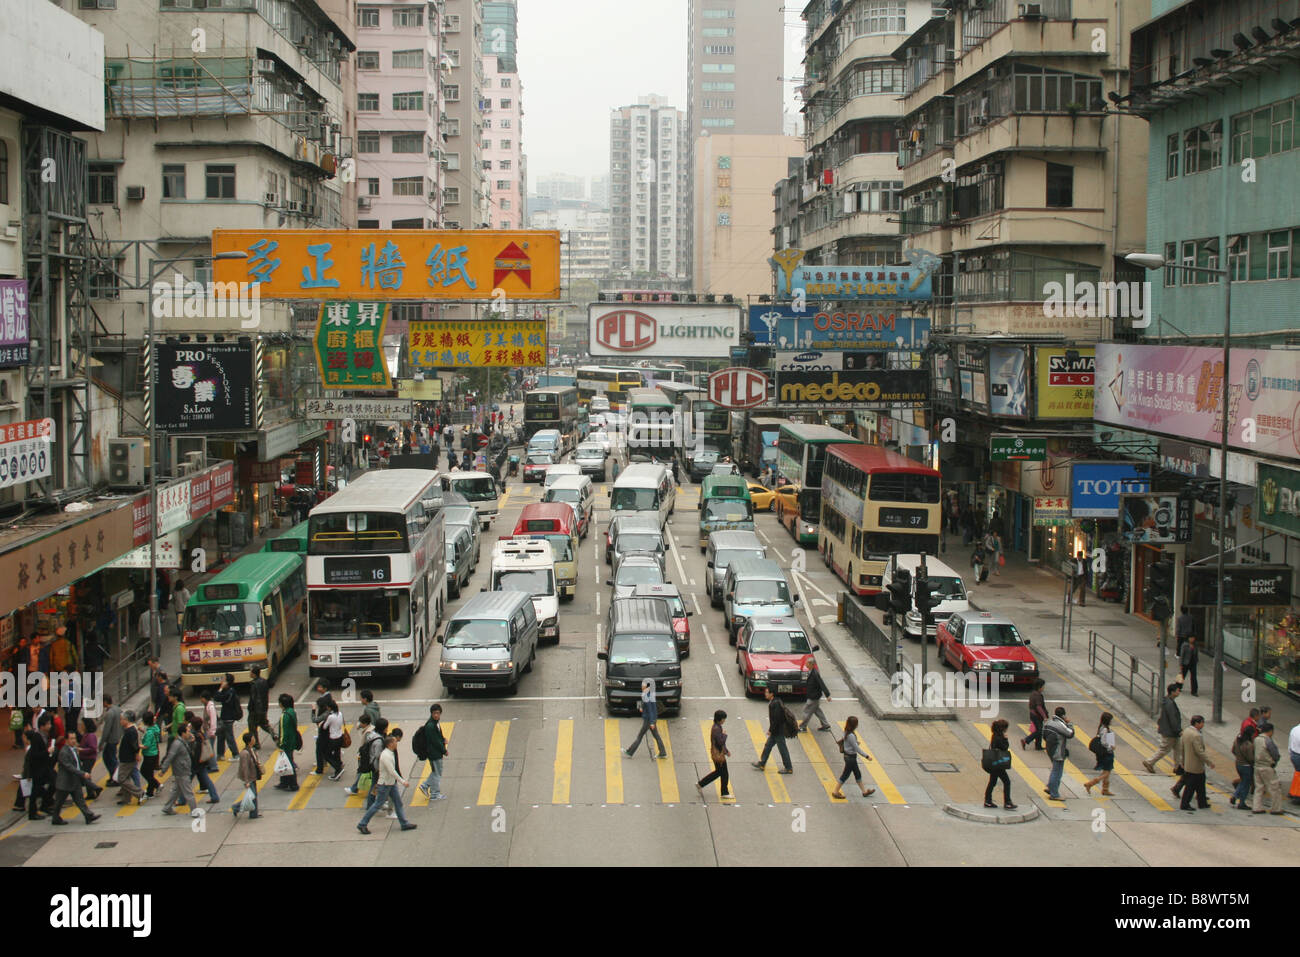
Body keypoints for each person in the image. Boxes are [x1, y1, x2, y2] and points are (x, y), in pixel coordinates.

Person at [356, 736, 418, 834]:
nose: (396, 743)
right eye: (395, 742)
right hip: (385, 784)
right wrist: (403, 781)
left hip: (391, 783)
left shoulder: (390, 753)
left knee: (398, 803)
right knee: (377, 805)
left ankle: (404, 823)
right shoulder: (385, 755)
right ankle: (362, 824)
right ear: (390, 744)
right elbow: (391, 771)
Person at [50, 730, 100, 825]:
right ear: (66, 740)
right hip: (65, 782)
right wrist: (82, 773)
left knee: (80, 799)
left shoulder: (74, 749)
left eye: (75, 738)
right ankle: (55, 818)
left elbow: (77, 764)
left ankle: (88, 816)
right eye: (71, 738)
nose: (74, 740)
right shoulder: (64, 752)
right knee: (59, 802)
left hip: (74, 780)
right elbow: (69, 767)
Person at [829, 716, 875, 800]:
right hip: (851, 758)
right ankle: (835, 792)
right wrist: (867, 756)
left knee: (857, 773)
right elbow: (857, 748)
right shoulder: (851, 735)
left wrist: (855, 743)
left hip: (848, 757)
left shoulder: (846, 731)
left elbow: (849, 743)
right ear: (854, 725)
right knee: (845, 775)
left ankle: (864, 792)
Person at [751, 686, 794, 774]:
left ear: (772, 694)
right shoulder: (775, 701)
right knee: (768, 746)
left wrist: (771, 730)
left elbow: (777, 720)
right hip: (776, 730)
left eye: (767, 692)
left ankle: (788, 767)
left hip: (778, 731)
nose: (765, 694)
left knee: (782, 749)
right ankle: (762, 763)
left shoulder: (775, 704)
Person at [1144, 683, 1184, 774]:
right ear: (1172, 692)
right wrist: (1178, 730)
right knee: (1164, 749)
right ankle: (1150, 762)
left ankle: (1178, 767)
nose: (1179, 692)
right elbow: (1172, 718)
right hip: (1170, 731)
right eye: (1178, 690)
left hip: (1171, 731)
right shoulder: (1169, 704)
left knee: (1178, 749)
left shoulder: (1168, 701)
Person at [159, 724, 197, 816]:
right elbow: (170, 757)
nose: (189, 733)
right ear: (183, 733)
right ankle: (194, 811)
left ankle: (167, 807)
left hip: (182, 769)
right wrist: (163, 770)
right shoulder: (177, 744)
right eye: (187, 731)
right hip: (181, 771)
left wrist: (191, 741)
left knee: (176, 791)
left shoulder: (183, 741)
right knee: (188, 792)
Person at [624, 679, 667, 759]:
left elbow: (651, 710)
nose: (642, 687)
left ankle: (630, 751)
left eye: (643, 685)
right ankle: (663, 752)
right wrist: (643, 709)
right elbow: (650, 708)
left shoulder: (647, 696)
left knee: (640, 736)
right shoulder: (649, 694)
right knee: (656, 736)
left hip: (649, 720)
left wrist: (651, 722)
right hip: (652, 718)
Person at [1179, 715, 1213, 811]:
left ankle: (1202, 802)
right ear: (1197, 723)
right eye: (1202, 723)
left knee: (1201, 784)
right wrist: (1209, 762)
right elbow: (1199, 751)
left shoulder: (1186, 731)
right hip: (1196, 765)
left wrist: (1183, 761)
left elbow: (1182, 747)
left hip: (1188, 764)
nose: (1203, 725)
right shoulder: (1196, 735)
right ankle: (1185, 804)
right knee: (1191, 786)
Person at [696, 710, 731, 801]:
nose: (724, 720)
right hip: (718, 755)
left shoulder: (717, 727)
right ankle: (724, 792)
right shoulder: (717, 729)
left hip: (717, 753)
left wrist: (726, 751)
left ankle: (701, 784)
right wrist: (724, 735)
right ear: (720, 719)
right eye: (724, 719)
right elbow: (720, 742)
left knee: (718, 772)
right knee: (724, 774)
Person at [23, 718, 54, 820]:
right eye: (48, 724)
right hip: (37, 771)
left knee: (40, 790)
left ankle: (42, 807)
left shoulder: (41, 737)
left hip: (41, 769)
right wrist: (48, 751)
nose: (50, 726)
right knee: (35, 792)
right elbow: (35, 756)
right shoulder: (37, 738)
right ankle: (33, 813)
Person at [417, 703, 449, 801]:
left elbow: (437, 737)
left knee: (436, 772)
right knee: (437, 773)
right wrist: (444, 751)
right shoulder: (431, 725)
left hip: (435, 752)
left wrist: (443, 739)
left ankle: (426, 786)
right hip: (434, 753)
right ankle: (434, 793)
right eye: (434, 713)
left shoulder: (435, 723)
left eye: (438, 713)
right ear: (431, 713)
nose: (436, 715)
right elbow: (434, 741)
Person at [982, 718, 1016, 809]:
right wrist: (1006, 739)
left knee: (992, 782)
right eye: (1006, 728)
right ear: (1002, 728)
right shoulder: (1000, 737)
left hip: (994, 763)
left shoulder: (994, 735)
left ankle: (988, 800)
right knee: (1006, 782)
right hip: (998, 764)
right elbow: (1005, 747)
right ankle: (1007, 802)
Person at [1042, 706, 1074, 801]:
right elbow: (1070, 734)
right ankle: (1054, 794)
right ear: (1063, 715)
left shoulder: (1049, 722)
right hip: (1058, 751)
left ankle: (1050, 786)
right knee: (1057, 771)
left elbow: (1043, 735)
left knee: (1055, 770)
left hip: (1050, 749)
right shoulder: (1061, 725)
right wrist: (1070, 723)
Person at [1252, 722, 1284, 814]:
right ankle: (1276, 809)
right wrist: (1275, 760)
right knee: (1275, 788)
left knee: (1259, 788)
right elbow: (1275, 754)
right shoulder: (1268, 740)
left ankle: (1256, 807)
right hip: (1267, 767)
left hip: (1257, 766)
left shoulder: (1256, 739)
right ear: (1270, 731)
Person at [115, 711, 146, 806]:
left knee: (122, 779)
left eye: (121, 719)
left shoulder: (131, 731)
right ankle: (126, 799)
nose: (120, 721)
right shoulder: (129, 730)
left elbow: (134, 745)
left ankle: (140, 793)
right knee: (126, 777)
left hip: (128, 759)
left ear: (126, 720)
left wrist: (137, 753)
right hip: (126, 757)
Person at [188, 716, 220, 804]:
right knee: (206, 779)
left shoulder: (194, 736)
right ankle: (214, 796)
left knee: (186, 782)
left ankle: (182, 800)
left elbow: (194, 750)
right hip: (202, 761)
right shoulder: (202, 734)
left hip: (195, 763)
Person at [1083, 711, 1116, 796]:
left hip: (1104, 753)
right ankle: (1091, 783)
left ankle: (1105, 789)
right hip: (1107, 753)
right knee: (1107, 772)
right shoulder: (1105, 729)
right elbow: (1104, 742)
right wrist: (1110, 747)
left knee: (1107, 770)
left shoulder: (1101, 727)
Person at [343, 713, 376, 796]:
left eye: (361, 722)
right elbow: (358, 726)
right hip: (365, 754)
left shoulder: (369, 732)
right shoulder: (370, 727)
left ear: (365, 723)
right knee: (361, 771)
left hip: (366, 756)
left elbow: (368, 746)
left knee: (362, 771)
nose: (359, 724)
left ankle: (355, 789)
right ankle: (355, 788)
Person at [232, 732, 262, 821]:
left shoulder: (252, 750)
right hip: (249, 778)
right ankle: (236, 807)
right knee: (252, 796)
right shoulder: (245, 753)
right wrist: (247, 781)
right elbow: (244, 768)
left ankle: (254, 813)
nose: (255, 739)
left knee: (253, 795)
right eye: (253, 738)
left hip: (253, 776)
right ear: (249, 741)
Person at [798, 662, 833, 733]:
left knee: (806, 711)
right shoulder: (811, 672)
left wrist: (827, 695)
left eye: (807, 663)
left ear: (811, 664)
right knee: (817, 711)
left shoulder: (815, 674)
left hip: (813, 697)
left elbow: (821, 684)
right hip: (813, 696)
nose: (806, 664)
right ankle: (825, 725)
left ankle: (803, 727)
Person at [275, 692, 300, 791]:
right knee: (286, 762)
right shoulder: (292, 711)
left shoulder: (284, 716)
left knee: (288, 763)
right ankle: (284, 782)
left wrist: (281, 745)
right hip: (292, 741)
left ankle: (293, 784)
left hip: (286, 744)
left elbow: (283, 732)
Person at [1229, 723, 1257, 810]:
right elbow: (1251, 758)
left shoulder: (1237, 740)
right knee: (1246, 784)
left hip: (1238, 764)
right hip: (1246, 767)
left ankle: (1236, 796)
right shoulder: (1248, 745)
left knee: (1243, 782)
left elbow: (1233, 750)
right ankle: (1240, 802)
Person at [215, 674, 242, 761]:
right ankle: (220, 754)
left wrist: (220, 688)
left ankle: (236, 755)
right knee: (221, 735)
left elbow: (217, 698)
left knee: (229, 737)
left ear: (227, 682)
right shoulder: (228, 690)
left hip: (228, 717)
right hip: (224, 716)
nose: (222, 681)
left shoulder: (229, 692)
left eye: (223, 679)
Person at [310, 679, 334, 776]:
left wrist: (313, 711)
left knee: (320, 748)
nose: (318, 688)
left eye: (320, 687)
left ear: (325, 688)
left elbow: (316, 718)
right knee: (325, 747)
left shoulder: (325, 700)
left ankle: (320, 768)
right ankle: (324, 762)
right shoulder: (326, 697)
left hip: (324, 727)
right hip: (325, 727)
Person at [75, 718, 103, 800]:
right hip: (85, 758)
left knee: (84, 775)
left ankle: (95, 789)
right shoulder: (86, 735)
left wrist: (81, 750)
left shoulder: (90, 736)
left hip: (89, 759)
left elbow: (93, 748)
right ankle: (91, 792)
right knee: (86, 775)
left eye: (83, 724)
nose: (82, 726)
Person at [98, 694, 122, 787]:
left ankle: (115, 777)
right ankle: (114, 776)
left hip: (111, 739)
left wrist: (101, 743)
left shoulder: (109, 713)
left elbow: (106, 730)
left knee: (109, 758)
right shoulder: (118, 709)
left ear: (105, 702)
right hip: (117, 737)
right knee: (111, 758)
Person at [247, 665, 272, 749]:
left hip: (255, 710)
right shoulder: (264, 681)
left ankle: (255, 744)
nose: (249, 673)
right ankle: (275, 735)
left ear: (254, 674)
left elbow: (254, 699)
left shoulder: (254, 684)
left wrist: (252, 709)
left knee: (252, 726)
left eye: (250, 672)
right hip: (264, 708)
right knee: (264, 724)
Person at [1020, 679, 1048, 751]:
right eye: (1043, 686)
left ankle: (1038, 746)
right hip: (1036, 715)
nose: (1044, 688)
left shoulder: (1033, 694)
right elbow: (1039, 707)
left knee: (1039, 730)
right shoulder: (1038, 695)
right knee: (1038, 731)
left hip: (1033, 714)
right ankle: (1026, 740)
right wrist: (1044, 716)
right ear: (1039, 687)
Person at [321, 699, 345, 780]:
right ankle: (337, 772)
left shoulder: (331, 717)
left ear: (329, 708)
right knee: (337, 754)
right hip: (340, 737)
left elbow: (324, 727)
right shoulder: (340, 714)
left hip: (333, 738)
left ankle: (338, 768)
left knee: (327, 755)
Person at [140, 712, 162, 797]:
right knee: (150, 773)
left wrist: (137, 745)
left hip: (149, 754)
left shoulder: (149, 732)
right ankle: (150, 792)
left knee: (144, 772)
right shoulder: (155, 727)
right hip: (154, 753)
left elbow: (146, 745)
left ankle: (157, 785)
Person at [198, 688, 219, 772]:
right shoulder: (207, 706)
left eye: (201, 698)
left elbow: (213, 720)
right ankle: (210, 765)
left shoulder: (210, 707)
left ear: (204, 698)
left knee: (209, 749)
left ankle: (214, 767)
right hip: (207, 730)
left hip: (211, 732)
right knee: (208, 748)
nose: (200, 700)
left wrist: (212, 731)